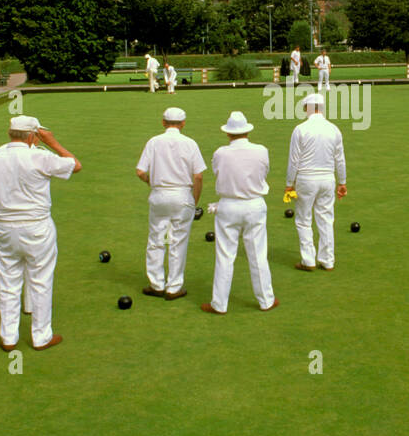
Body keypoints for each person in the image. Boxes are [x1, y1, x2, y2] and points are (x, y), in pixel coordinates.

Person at [0, 115, 80, 350]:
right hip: (37, 227)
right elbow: (76, 165)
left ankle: (9, 338)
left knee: (8, 281)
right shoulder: (40, 156)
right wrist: (53, 143)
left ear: (10, 133)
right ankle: (41, 336)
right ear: (33, 135)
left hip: (3, 226)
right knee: (41, 281)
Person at [202, 111, 277, 314]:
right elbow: (265, 172)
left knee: (225, 255)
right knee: (258, 254)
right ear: (247, 131)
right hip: (254, 204)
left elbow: (218, 173)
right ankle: (266, 300)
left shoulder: (220, 153)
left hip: (229, 205)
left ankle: (219, 304)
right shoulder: (262, 150)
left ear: (228, 133)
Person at [136, 107, 205, 300]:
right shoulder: (190, 143)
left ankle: (156, 284)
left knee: (156, 240)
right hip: (182, 195)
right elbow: (198, 175)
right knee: (177, 242)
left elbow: (140, 172)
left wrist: (153, 183)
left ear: (163, 122)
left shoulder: (153, 142)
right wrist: (194, 200)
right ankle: (174, 287)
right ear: (183, 123)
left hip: (159, 195)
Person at [286, 93, 347, 271]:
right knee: (326, 218)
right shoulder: (334, 129)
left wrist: (289, 183)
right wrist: (342, 182)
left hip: (306, 179)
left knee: (303, 219)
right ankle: (327, 260)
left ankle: (308, 260)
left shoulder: (300, 129)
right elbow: (340, 159)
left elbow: (293, 160)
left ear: (308, 108)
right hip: (328, 179)